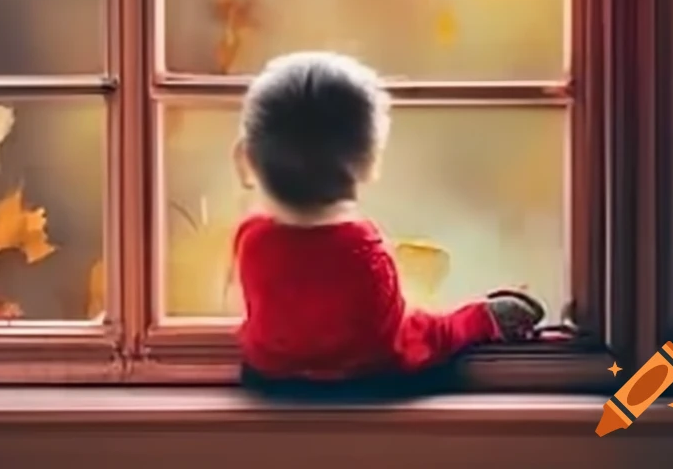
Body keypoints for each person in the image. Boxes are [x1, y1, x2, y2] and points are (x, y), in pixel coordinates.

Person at [232, 51, 544, 398]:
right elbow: (395, 343)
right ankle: (484, 319)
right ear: (370, 160)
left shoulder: (251, 239)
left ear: (248, 157)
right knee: (432, 334)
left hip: (269, 381)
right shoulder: (362, 245)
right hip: (371, 382)